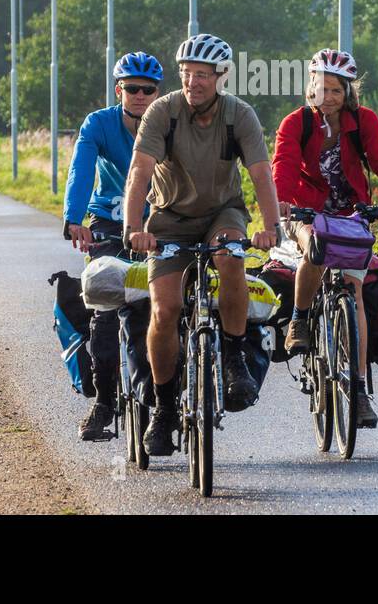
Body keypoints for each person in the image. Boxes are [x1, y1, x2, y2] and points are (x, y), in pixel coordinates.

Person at [122, 34, 281, 457]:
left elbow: (262, 175)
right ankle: (163, 407)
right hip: (169, 220)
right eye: (188, 74)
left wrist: (272, 226)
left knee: (231, 259)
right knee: (165, 308)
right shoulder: (163, 112)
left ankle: (232, 358)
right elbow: (139, 172)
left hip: (222, 215)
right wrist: (133, 226)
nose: (194, 82)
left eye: (203, 76)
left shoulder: (238, 115)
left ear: (221, 77)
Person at [271, 48, 378, 428]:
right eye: (322, 88)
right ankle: (299, 319)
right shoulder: (296, 123)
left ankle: (359, 389)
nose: (328, 97)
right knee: (315, 248)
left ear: (348, 92)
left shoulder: (363, 121)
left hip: (351, 214)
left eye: (336, 90)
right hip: (305, 212)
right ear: (310, 87)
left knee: (354, 288)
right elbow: (281, 163)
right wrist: (281, 200)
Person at [62, 51, 164, 441]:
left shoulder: (170, 123)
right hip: (109, 223)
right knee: (105, 313)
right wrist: (74, 219)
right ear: (118, 89)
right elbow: (81, 169)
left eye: (147, 89)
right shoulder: (100, 124)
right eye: (132, 88)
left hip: (159, 223)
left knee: (160, 309)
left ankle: (167, 401)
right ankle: (104, 402)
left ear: (158, 92)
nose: (140, 96)